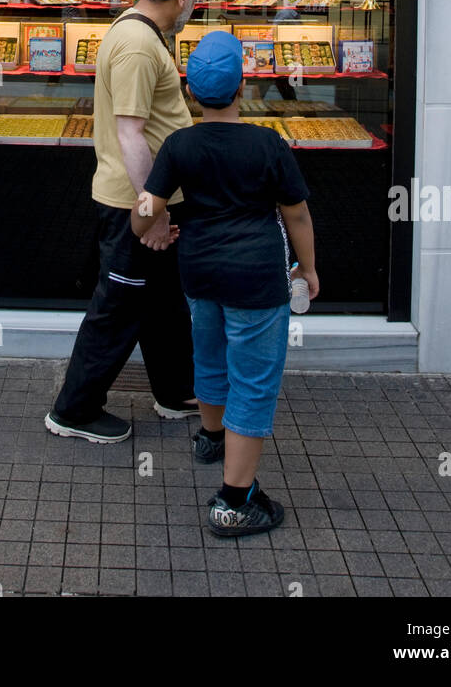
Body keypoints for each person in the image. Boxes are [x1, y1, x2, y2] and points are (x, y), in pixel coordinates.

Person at [131, 30, 318, 536]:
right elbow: (296, 214)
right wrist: (308, 269)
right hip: (256, 278)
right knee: (253, 383)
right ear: (243, 89)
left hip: (200, 271)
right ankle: (235, 501)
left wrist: (150, 227)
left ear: (191, 92)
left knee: (209, 358)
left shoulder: (179, 144)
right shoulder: (268, 144)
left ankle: (211, 437)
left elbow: (147, 204)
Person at [45, 0, 218, 443]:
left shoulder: (139, 31)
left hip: (150, 201)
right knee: (118, 304)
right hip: (134, 205)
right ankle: (73, 409)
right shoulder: (140, 46)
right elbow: (130, 134)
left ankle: (172, 390)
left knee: (162, 300)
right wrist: (152, 211)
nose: (196, 4)